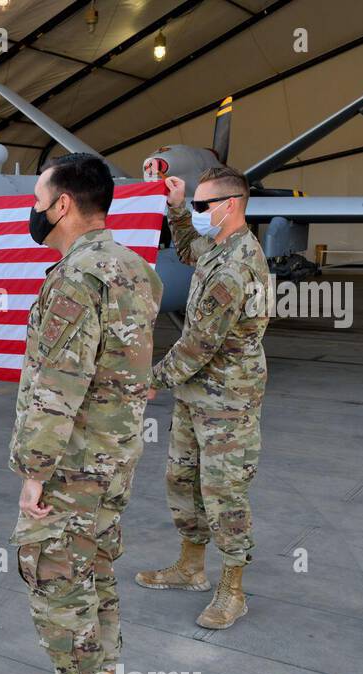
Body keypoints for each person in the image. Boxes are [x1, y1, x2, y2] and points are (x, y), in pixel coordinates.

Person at [2, 155, 162, 674]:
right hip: (115, 456)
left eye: (38, 199)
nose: (34, 211)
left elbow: (58, 385)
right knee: (94, 569)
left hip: (74, 462)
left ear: (61, 204)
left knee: (55, 572)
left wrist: (34, 473)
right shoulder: (135, 269)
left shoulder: (76, 277)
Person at [137, 166, 270, 630]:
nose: (198, 213)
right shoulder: (219, 247)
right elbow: (189, 249)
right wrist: (176, 209)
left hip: (227, 402)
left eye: (202, 205)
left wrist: (152, 378)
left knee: (223, 494)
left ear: (229, 205)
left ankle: (232, 590)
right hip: (198, 396)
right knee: (182, 481)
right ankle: (191, 566)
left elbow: (198, 345)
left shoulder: (236, 265)